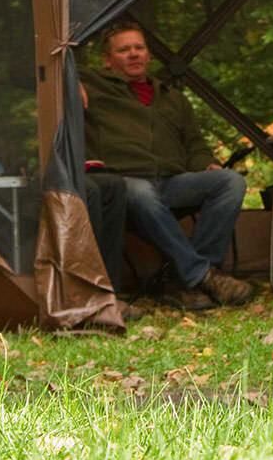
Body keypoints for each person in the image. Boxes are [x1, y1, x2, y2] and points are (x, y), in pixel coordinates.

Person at [82, 21, 254, 310]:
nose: (134, 54)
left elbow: (195, 144)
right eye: (124, 50)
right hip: (123, 181)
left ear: (149, 55)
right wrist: (69, 82)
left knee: (230, 182)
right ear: (107, 61)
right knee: (140, 192)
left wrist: (207, 163)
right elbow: (50, 66)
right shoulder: (94, 87)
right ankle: (203, 276)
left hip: (171, 182)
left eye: (139, 48)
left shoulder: (172, 98)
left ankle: (183, 280)